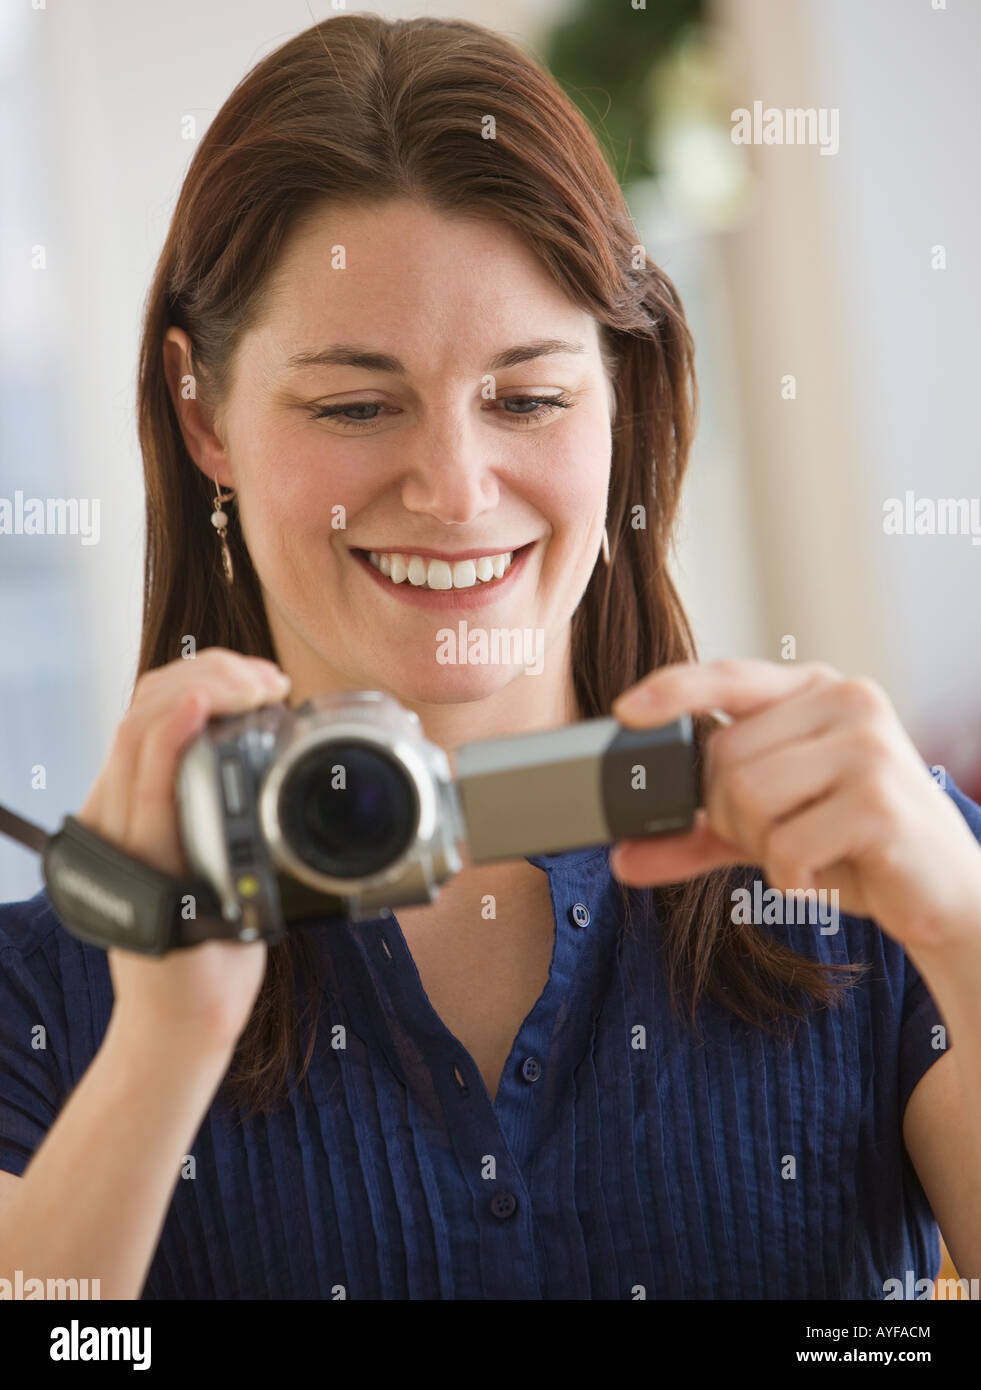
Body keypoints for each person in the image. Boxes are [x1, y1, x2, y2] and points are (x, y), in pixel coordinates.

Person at [2, 14, 980, 1301]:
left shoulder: (879, 883)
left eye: (528, 397)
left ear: (621, 393)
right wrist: (158, 1061)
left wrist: (961, 928)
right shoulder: (43, 1005)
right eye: (356, 404)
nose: (458, 491)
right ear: (204, 415)